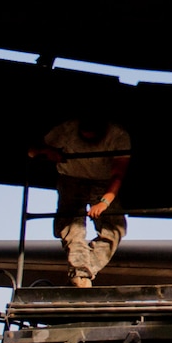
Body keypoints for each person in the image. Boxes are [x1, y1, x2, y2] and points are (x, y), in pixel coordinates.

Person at [29, 118, 131, 287]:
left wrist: (104, 202)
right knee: (71, 228)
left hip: (103, 182)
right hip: (71, 180)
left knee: (114, 229)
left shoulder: (118, 136)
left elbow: (118, 174)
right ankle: (80, 275)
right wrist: (47, 151)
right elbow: (32, 151)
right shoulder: (65, 130)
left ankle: (83, 271)